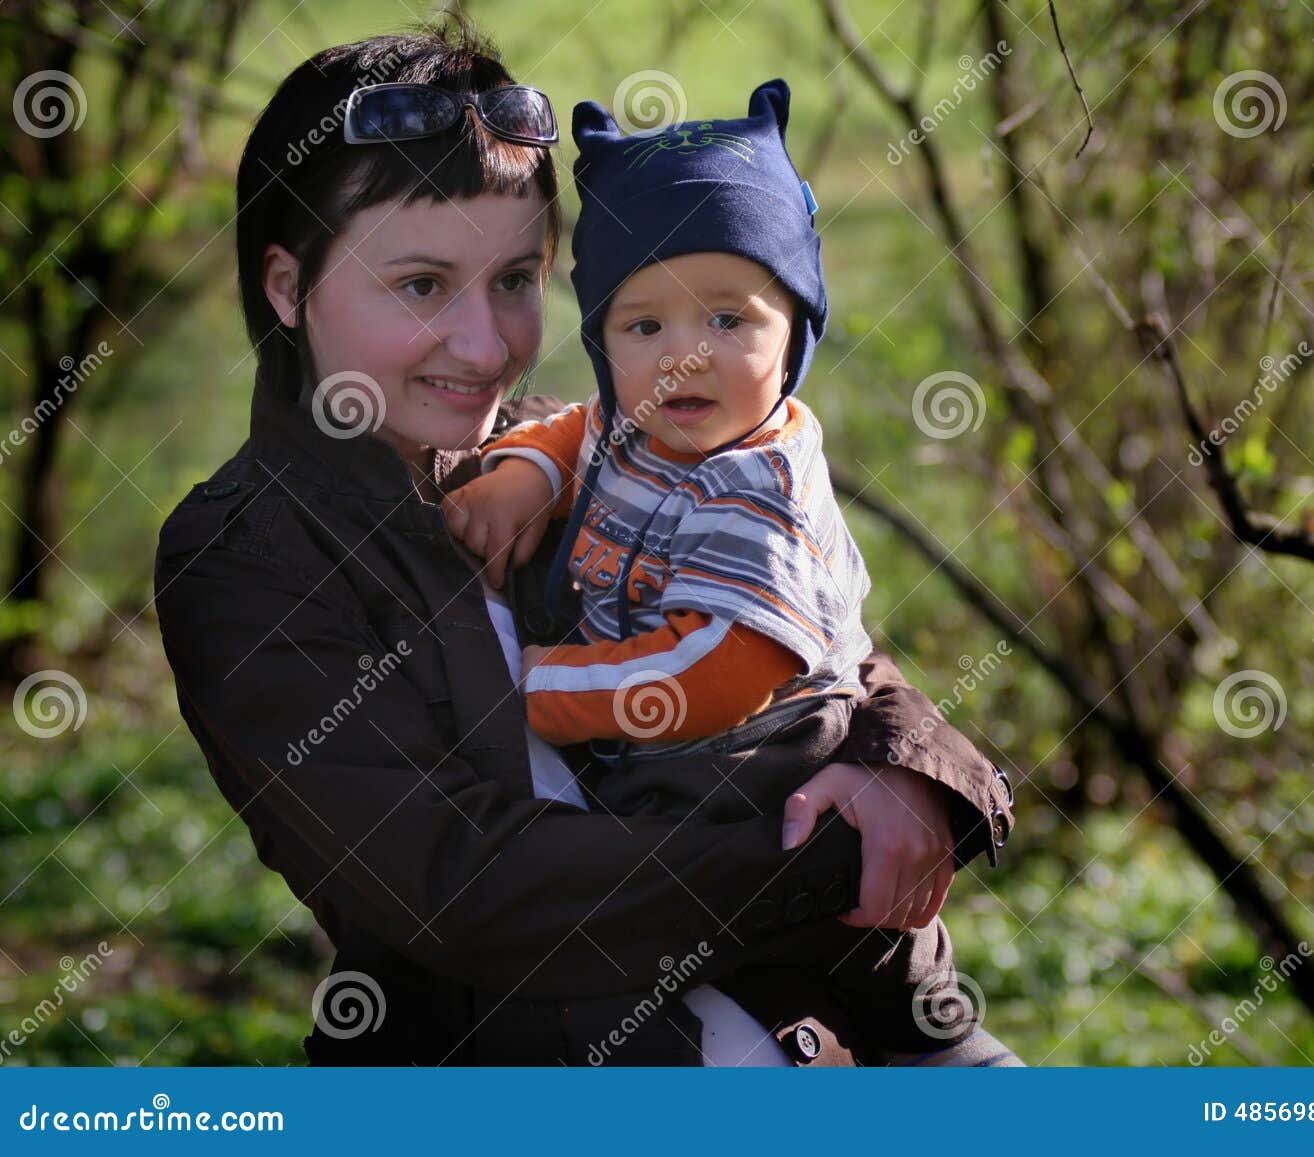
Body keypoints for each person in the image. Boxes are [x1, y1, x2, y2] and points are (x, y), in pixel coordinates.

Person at [152, 17, 1016, 1066]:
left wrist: (907, 769)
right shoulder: (246, 558)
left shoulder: (573, 449)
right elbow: (472, 889)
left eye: (515, 281)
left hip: (836, 1036)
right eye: (420, 284)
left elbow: (809, 624)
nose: (486, 347)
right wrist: (831, 858)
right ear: (288, 286)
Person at [443, 79, 1009, 1061]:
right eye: (643, 326)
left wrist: (526, 687)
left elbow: (711, 673)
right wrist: (523, 473)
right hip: (679, 779)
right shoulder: (642, 420)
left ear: (795, 330)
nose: (684, 360)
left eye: (728, 320)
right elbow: (582, 429)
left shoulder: (759, 487)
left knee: (880, 1000)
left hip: (767, 769)